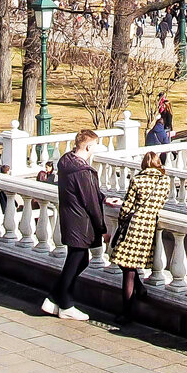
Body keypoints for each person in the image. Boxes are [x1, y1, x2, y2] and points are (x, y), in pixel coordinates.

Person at [41, 129, 106, 321]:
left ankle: (56, 300)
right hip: (80, 222)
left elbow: (88, 193)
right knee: (76, 260)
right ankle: (63, 302)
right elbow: (91, 201)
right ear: (88, 146)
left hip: (70, 218)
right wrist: (102, 229)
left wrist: (102, 197)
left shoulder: (65, 162)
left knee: (79, 260)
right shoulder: (83, 171)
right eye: (94, 146)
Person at [108, 151, 170, 322]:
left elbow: (127, 207)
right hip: (149, 227)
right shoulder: (165, 181)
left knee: (125, 266)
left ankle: (127, 310)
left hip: (134, 226)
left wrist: (121, 220)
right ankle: (139, 288)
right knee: (128, 264)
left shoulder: (138, 180)